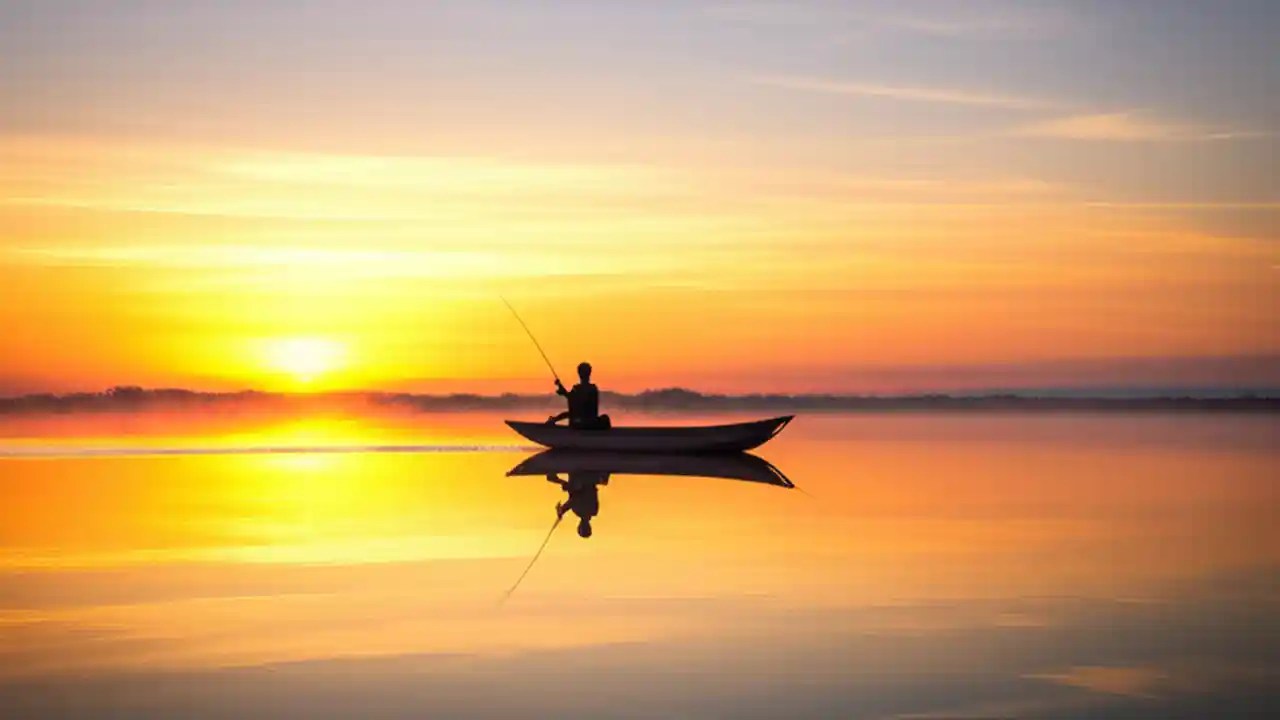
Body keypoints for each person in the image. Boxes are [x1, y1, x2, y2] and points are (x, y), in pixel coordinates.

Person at [546, 361, 611, 429]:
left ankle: (554, 420)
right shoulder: (593, 388)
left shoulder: (578, 389)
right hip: (590, 422)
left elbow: (575, 406)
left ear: (579, 373)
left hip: (581, 423)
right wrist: (563, 391)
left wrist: (564, 392)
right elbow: (575, 401)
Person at [547, 470, 609, 538]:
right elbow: (576, 499)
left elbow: (574, 500)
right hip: (583, 479)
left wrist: (562, 509)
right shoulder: (588, 511)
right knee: (603, 481)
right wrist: (563, 509)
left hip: (585, 479)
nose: (585, 526)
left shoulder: (593, 511)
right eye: (585, 528)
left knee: (553, 479)